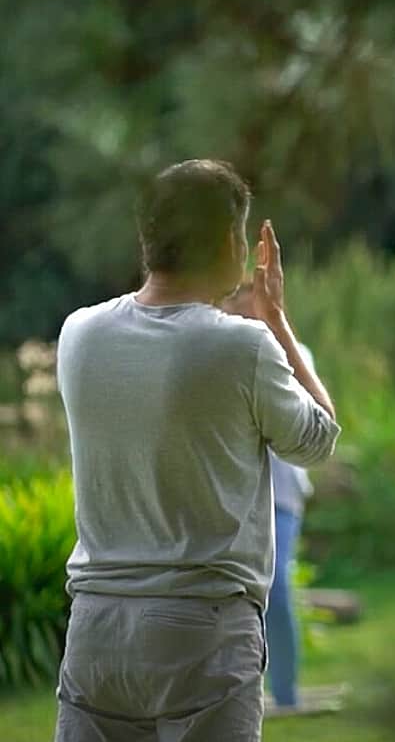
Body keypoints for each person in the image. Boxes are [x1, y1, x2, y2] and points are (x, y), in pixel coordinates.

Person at [54, 159, 340, 741]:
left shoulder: (78, 333)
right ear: (231, 244)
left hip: (96, 626)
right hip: (202, 627)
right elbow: (318, 439)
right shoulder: (242, 346)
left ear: (148, 240)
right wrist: (278, 320)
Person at [223, 283, 319, 713]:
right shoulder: (217, 355)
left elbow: (312, 421)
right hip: (232, 498)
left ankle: (285, 692)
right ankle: (242, 690)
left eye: (253, 310)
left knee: (276, 589)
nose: (247, 318)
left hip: (280, 495)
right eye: (239, 310)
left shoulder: (293, 354)